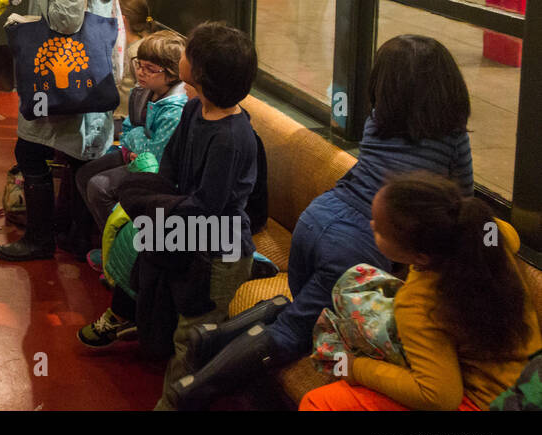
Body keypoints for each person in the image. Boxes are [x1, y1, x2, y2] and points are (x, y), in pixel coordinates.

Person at [172, 34, 476, 409]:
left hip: (320, 216)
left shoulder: (378, 122)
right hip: (360, 239)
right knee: (295, 330)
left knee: (305, 306)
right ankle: (191, 390)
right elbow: (461, 201)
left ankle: (212, 337)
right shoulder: (451, 138)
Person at [108, 23, 262, 411]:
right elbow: (172, 170)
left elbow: (207, 208)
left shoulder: (231, 137)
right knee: (162, 310)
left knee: (192, 337)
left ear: (201, 73)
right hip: (184, 232)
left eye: (187, 53)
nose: (181, 56)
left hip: (217, 250)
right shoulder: (194, 108)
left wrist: (150, 205)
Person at [300, 172, 540, 411]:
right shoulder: (487, 237)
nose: (371, 225)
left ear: (419, 257)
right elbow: (512, 235)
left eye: (381, 231)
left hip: (490, 402)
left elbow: (439, 397)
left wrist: (356, 368)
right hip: (530, 374)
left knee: (317, 403)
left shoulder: (418, 302)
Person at [0, 0, 123, 261]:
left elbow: (67, 19)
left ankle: (40, 238)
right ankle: (76, 234)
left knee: (29, 150)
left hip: (60, 74)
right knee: (82, 157)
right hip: (93, 74)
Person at [73, 29, 188, 252]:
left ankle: (122, 249)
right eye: (139, 65)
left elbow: (155, 154)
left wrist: (135, 137)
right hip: (133, 154)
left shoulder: (174, 109)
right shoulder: (143, 90)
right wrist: (135, 138)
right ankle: (103, 236)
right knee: (84, 173)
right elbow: (129, 126)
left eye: (150, 69)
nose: (141, 73)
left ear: (172, 74)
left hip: (155, 170)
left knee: (99, 187)